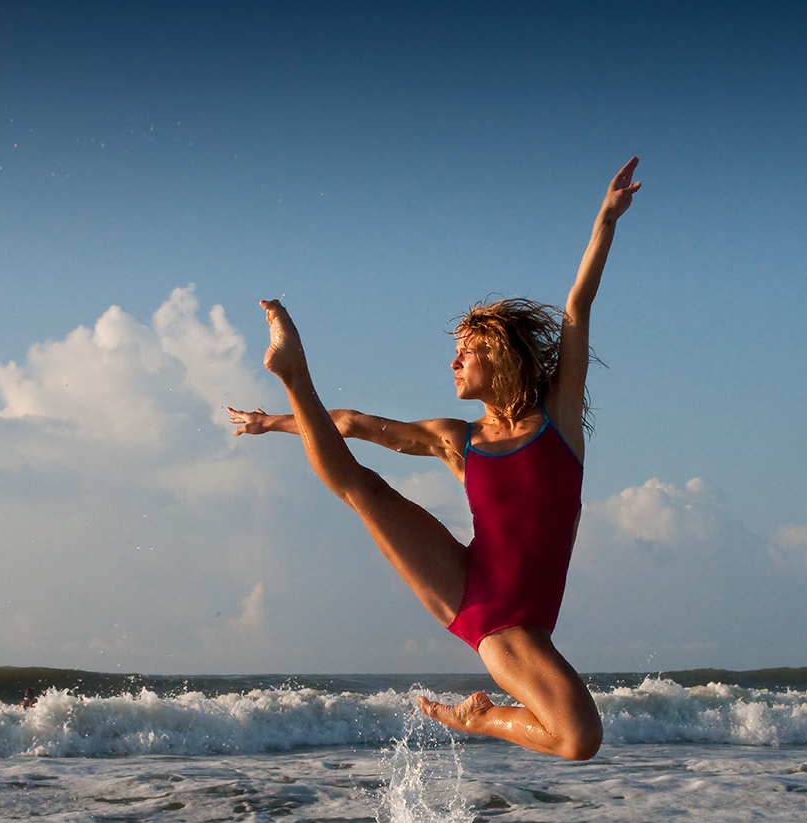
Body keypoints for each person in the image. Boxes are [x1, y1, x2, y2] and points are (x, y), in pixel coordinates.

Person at [229, 158, 640, 760]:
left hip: (508, 623)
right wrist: (273, 421)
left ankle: (481, 720)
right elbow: (352, 425)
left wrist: (605, 220)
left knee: (578, 738)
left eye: (464, 352)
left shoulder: (558, 417)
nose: (452, 364)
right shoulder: (458, 438)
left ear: (498, 354)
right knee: (362, 488)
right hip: (474, 591)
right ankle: (294, 372)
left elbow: (577, 308)